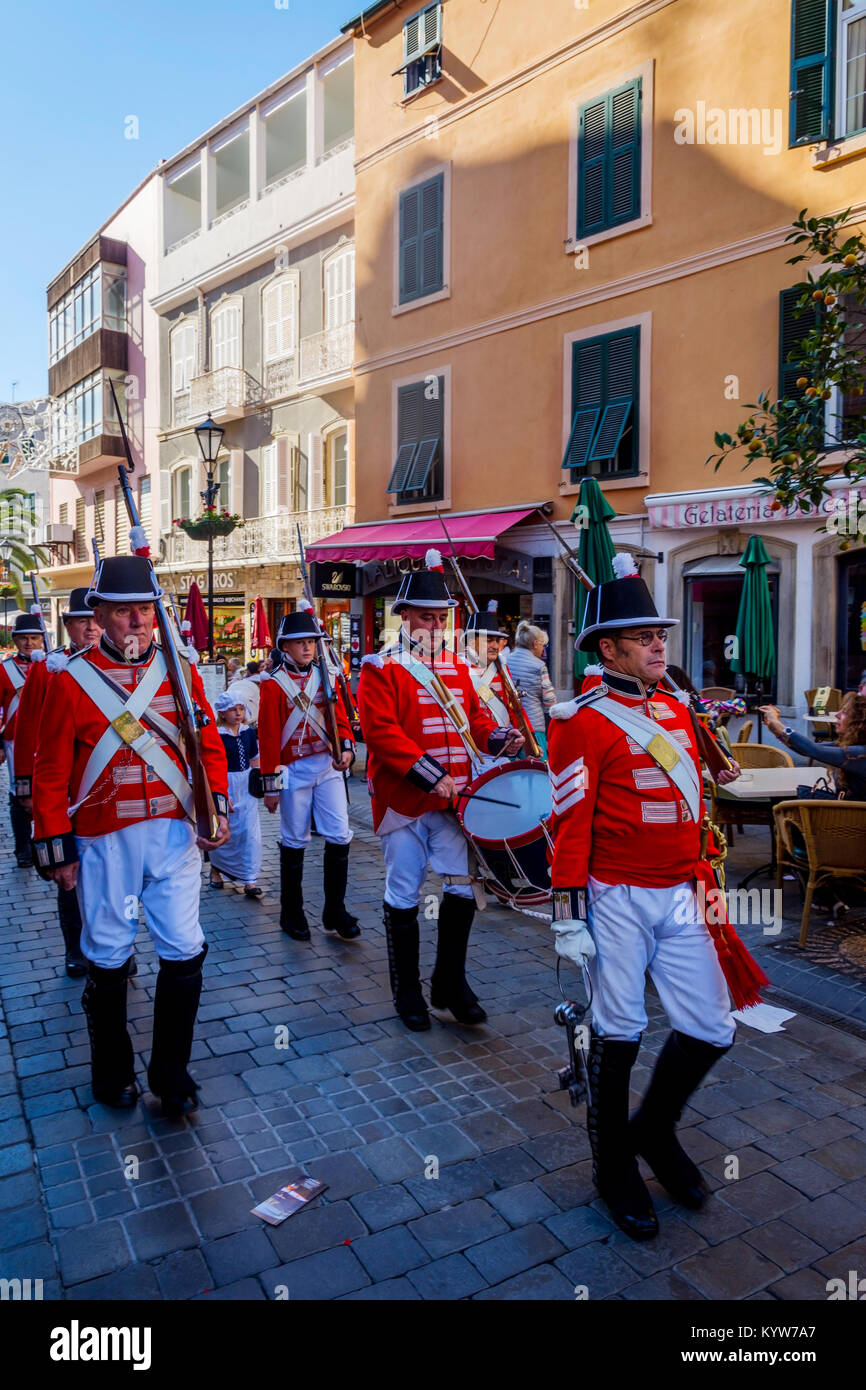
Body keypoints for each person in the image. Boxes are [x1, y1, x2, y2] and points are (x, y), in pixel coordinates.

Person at [546, 553, 754, 1242]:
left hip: (684, 890)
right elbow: (568, 825)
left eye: (661, 634)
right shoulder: (582, 719)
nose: (660, 644)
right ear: (610, 648)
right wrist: (568, 916)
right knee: (620, 1027)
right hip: (617, 895)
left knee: (711, 1026)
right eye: (643, 637)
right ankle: (613, 1168)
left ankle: (652, 1132)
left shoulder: (675, 705)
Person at [31, 554, 230, 1117]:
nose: (138, 622)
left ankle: (170, 1073)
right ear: (100, 616)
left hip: (172, 833)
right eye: (124, 612)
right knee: (110, 952)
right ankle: (112, 1073)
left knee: (184, 948)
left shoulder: (181, 670)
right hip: (105, 838)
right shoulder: (70, 680)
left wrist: (214, 806)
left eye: (145, 609)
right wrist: (56, 848)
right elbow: (49, 770)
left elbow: (207, 747)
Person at [357, 550, 524, 1031]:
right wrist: (433, 776)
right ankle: (406, 991)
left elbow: (475, 719)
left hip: (456, 802)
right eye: (425, 615)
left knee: (462, 888)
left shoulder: (459, 666)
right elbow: (383, 734)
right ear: (404, 616)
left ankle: (450, 983)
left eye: (441, 615)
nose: (434, 623)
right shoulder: (381, 666)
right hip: (406, 801)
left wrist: (499, 737)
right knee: (405, 892)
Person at [258, 603, 359, 942]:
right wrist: (271, 787)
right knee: (294, 838)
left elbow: (341, 719)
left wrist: (346, 747)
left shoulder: (325, 676)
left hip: (327, 766)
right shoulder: (272, 685)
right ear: (284, 645)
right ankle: (292, 911)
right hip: (292, 770)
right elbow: (269, 737)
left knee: (339, 833)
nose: (307, 648)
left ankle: (336, 910)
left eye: (312, 642)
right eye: (300, 642)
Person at [14, 589, 102, 975]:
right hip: (64, 790)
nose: (91, 628)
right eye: (82, 620)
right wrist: (26, 788)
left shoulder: (122, 666)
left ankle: (119, 947)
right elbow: (28, 731)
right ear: (67, 626)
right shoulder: (48, 668)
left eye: (96, 619)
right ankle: (76, 947)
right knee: (69, 873)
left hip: (103, 788)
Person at [0, 611, 45, 866]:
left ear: (42, 640)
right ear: (16, 641)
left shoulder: (52, 666)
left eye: (34, 638)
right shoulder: (5, 671)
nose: (29, 643)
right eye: (24, 638)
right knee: (19, 792)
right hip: (15, 742)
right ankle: (23, 849)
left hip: (46, 739)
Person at [208, 691, 263, 896]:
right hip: (226, 782)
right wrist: (220, 792)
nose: (238, 713)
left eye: (240, 709)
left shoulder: (248, 732)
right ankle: (216, 870)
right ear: (222, 713)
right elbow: (213, 764)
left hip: (246, 785)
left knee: (249, 833)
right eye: (233, 710)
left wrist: (258, 781)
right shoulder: (216, 735)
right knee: (223, 830)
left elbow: (254, 758)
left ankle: (249, 879)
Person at [760, 694, 866, 800]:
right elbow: (805, 749)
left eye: (845, 713)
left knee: (784, 800)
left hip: (852, 815)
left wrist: (778, 724)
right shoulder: (851, 745)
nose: (837, 715)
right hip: (847, 810)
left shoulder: (861, 753)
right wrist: (777, 731)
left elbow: (813, 750)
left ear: (859, 723)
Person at [464, 601, 526, 737]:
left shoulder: (501, 666)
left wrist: (529, 737)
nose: (495, 646)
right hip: (472, 741)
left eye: (497, 641)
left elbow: (514, 707)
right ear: (471, 642)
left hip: (502, 738)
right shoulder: (460, 667)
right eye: (489, 640)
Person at [505, 621, 556, 756]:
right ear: (535, 644)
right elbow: (549, 701)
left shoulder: (506, 661)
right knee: (536, 767)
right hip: (533, 726)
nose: (543, 650)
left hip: (509, 727)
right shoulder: (539, 666)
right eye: (542, 645)